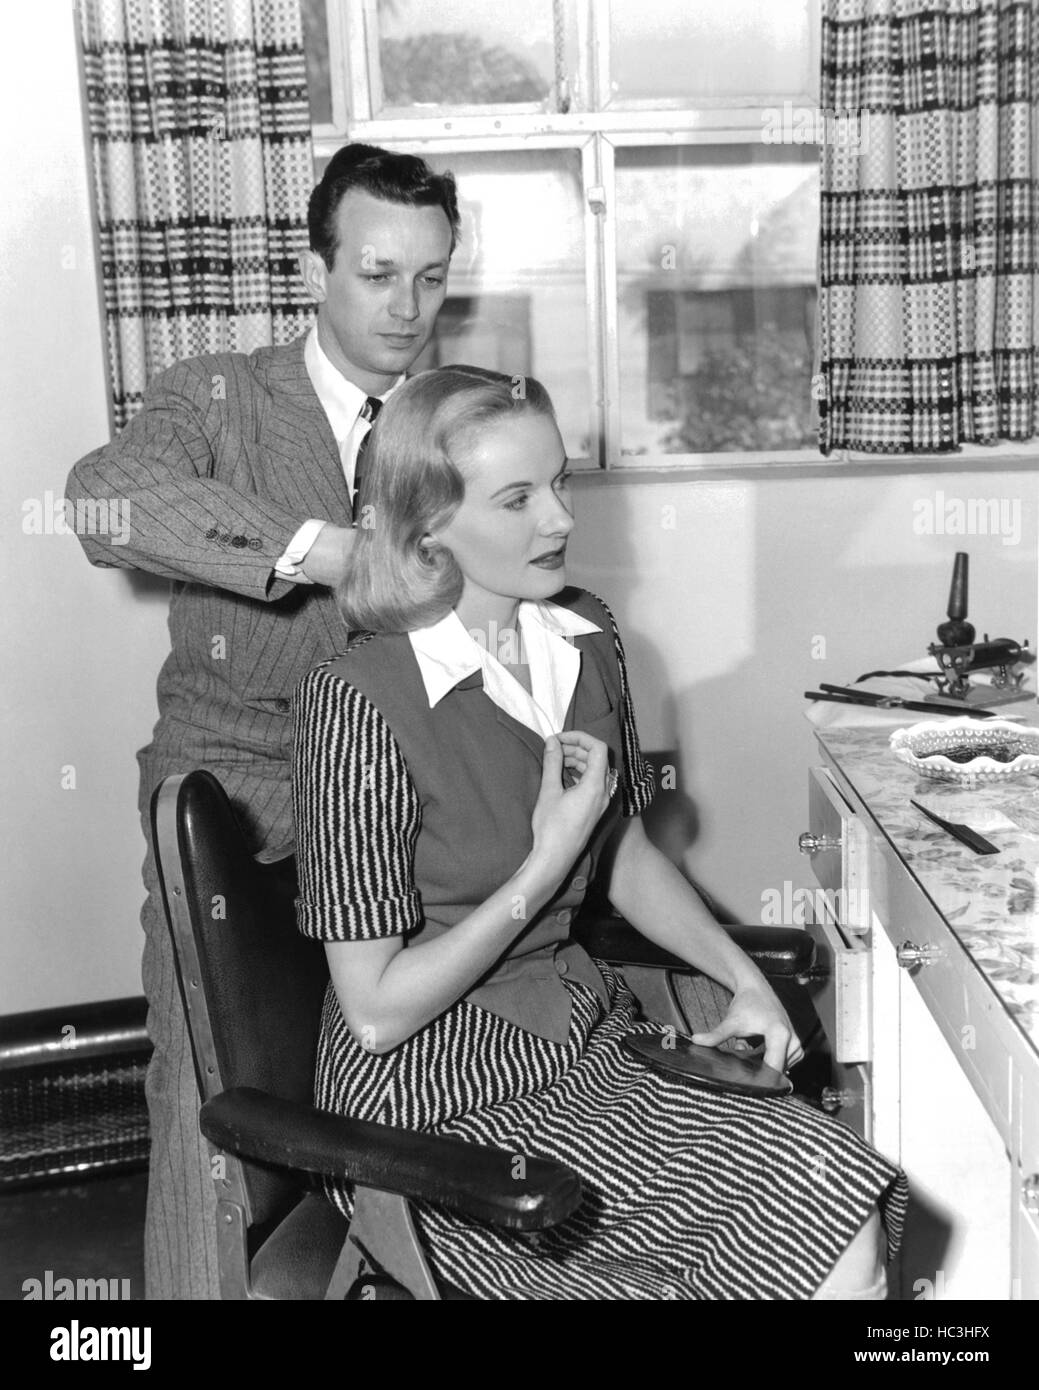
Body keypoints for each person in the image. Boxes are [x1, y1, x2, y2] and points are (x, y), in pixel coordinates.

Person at [292, 365, 908, 1300]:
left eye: (559, 483)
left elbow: (619, 854)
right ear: (428, 528)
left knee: (834, 1185)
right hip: (427, 1104)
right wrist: (542, 866)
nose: (559, 519)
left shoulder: (584, 636)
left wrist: (744, 983)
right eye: (516, 500)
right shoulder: (357, 701)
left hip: (581, 1043)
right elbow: (377, 1013)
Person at [65, 144, 460, 1300]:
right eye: (379, 273)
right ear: (314, 268)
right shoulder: (215, 392)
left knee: (464, 1037)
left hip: (399, 798)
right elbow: (103, 499)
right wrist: (324, 551)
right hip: (233, 798)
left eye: (432, 279)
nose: (407, 308)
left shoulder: (451, 417)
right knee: (209, 1094)